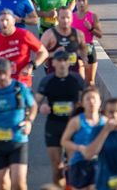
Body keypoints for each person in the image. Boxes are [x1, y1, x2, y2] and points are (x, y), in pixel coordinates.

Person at [0, 58, 37, 190]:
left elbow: (33, 106)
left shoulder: (19, 88)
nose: (2, 77)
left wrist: (29, 121)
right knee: (3, 184)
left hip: (18, 140)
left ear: (11, 71)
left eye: (4, 73)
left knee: (19, 183)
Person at [35, 50, 86, 186]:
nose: (62, 63)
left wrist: (81, 107)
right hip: (54, 125)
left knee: (72, 165)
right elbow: (36, 102)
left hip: (73, 126)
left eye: (65, 60)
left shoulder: (76, 79)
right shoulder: (48, 80)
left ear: (69, 63)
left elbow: (88, 98)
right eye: (59, 60)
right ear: (53, 63)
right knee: (57, 166)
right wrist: (41, 108)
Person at [0, 9, 48, 94]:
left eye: (7, 20)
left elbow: (43, 52)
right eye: (1, 20)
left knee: (23, 105)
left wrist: (31, 65)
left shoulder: (24, 35)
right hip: (2, 84)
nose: (4, 23)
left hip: (22, 83)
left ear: (14, 21)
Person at [61, 86, 108, 190]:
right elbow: (64, 141)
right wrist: (79, 148)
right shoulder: (76, 121)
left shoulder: (105, 122)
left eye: (94, 98)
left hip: (98, 163)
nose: (91, 102)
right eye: (88, 99)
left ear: (100, 102)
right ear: (82, 103)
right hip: (79, 162)